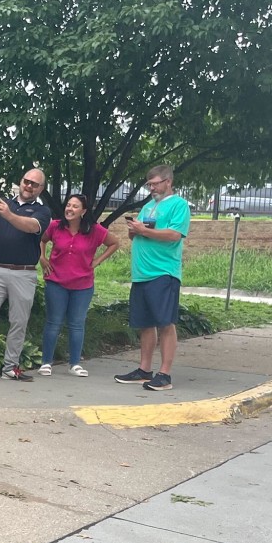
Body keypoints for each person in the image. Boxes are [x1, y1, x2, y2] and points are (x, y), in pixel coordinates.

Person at [0, 168, 52, 384]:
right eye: (26, 181)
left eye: (34, 184)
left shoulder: (42, 211)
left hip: (24, 273)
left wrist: (8, 215)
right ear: (20, 181)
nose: (29, 186)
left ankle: (11, 367)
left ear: (41, 188)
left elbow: (31, 227)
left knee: (19, 322)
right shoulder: (3, 202)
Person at [114, 165, 191, 391]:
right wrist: (133, 230)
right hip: (141, 274)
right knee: (145, 323)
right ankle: (144, 370)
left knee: (165, 322)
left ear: (168, 182)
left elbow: (174, 235)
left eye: (155, 184)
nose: (151, 188)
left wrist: (144, 231)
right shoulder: (148, 206)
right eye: (149, 185)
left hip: (163, 272)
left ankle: (164, 374)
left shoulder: (179, 205)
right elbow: (139, 234)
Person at [38, 193, 120, 377]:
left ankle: (74, 364)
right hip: (56, 282)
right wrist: (42, 257)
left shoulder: (95, 230)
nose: (70, 209)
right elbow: (42, 240)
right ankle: (46, 362)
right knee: (53, 322)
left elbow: (114, 243)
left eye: (75, 206)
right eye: (68, 205)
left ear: (83, 211)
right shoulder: (55, 226)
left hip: (83, 285)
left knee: (76, 324)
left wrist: (97, 261)